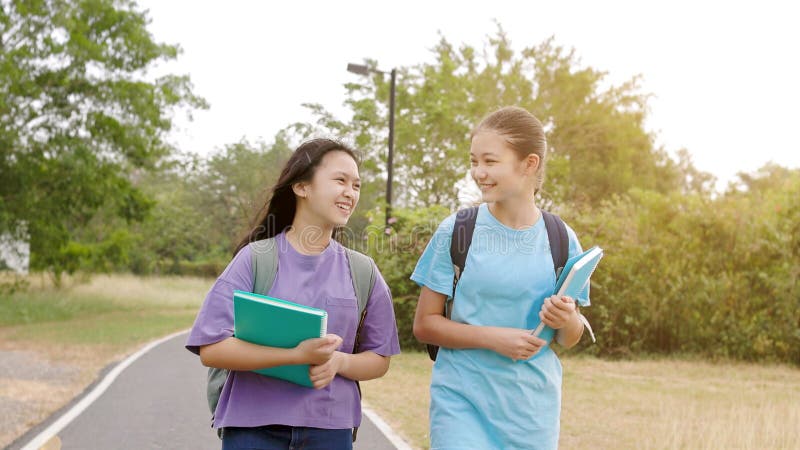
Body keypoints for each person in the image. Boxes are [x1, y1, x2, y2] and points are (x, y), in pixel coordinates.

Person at [186, 138, 401, 450]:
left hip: (330, 429)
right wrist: (296, 357)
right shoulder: (255, 259)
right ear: (302, 187)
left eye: (356, 185)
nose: (350, 193)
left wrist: (338, 362)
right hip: (252, 428)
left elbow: (379, 358)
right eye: (340, 180)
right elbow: (212, 348)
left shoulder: (363, 271)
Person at [412, 106, 586, 449]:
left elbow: (570, 337)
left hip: (532, 412)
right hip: (460, 403)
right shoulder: (458, 230)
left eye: (490, 162)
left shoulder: (562, 239)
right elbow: (425, 325)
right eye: (474, 161)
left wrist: (567, 318)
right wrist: (493, 338)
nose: (478, 172)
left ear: (529, 163)